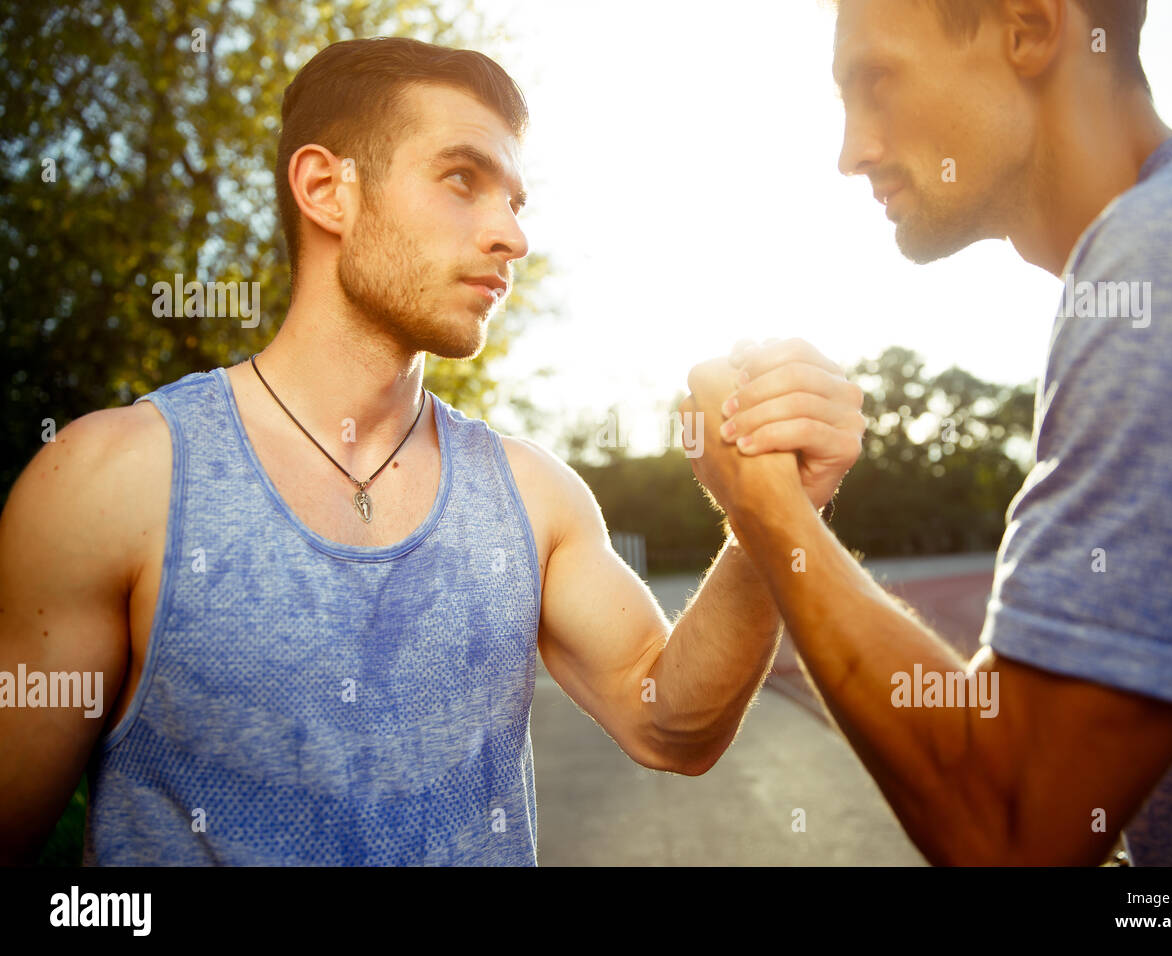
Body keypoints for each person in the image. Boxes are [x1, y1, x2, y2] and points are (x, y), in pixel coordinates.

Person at [0, 37, 867, 865]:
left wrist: (770, 511)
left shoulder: (534, 495)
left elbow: (670, 723)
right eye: (463, 179)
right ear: (326, 189)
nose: (512, 237)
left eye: (516, 203)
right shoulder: (111, 481)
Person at [681, 0, 1172, 865]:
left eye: (876, 80)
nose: (851, 149)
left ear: (1030, 28)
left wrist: (766, 502)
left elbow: (1010, 834)